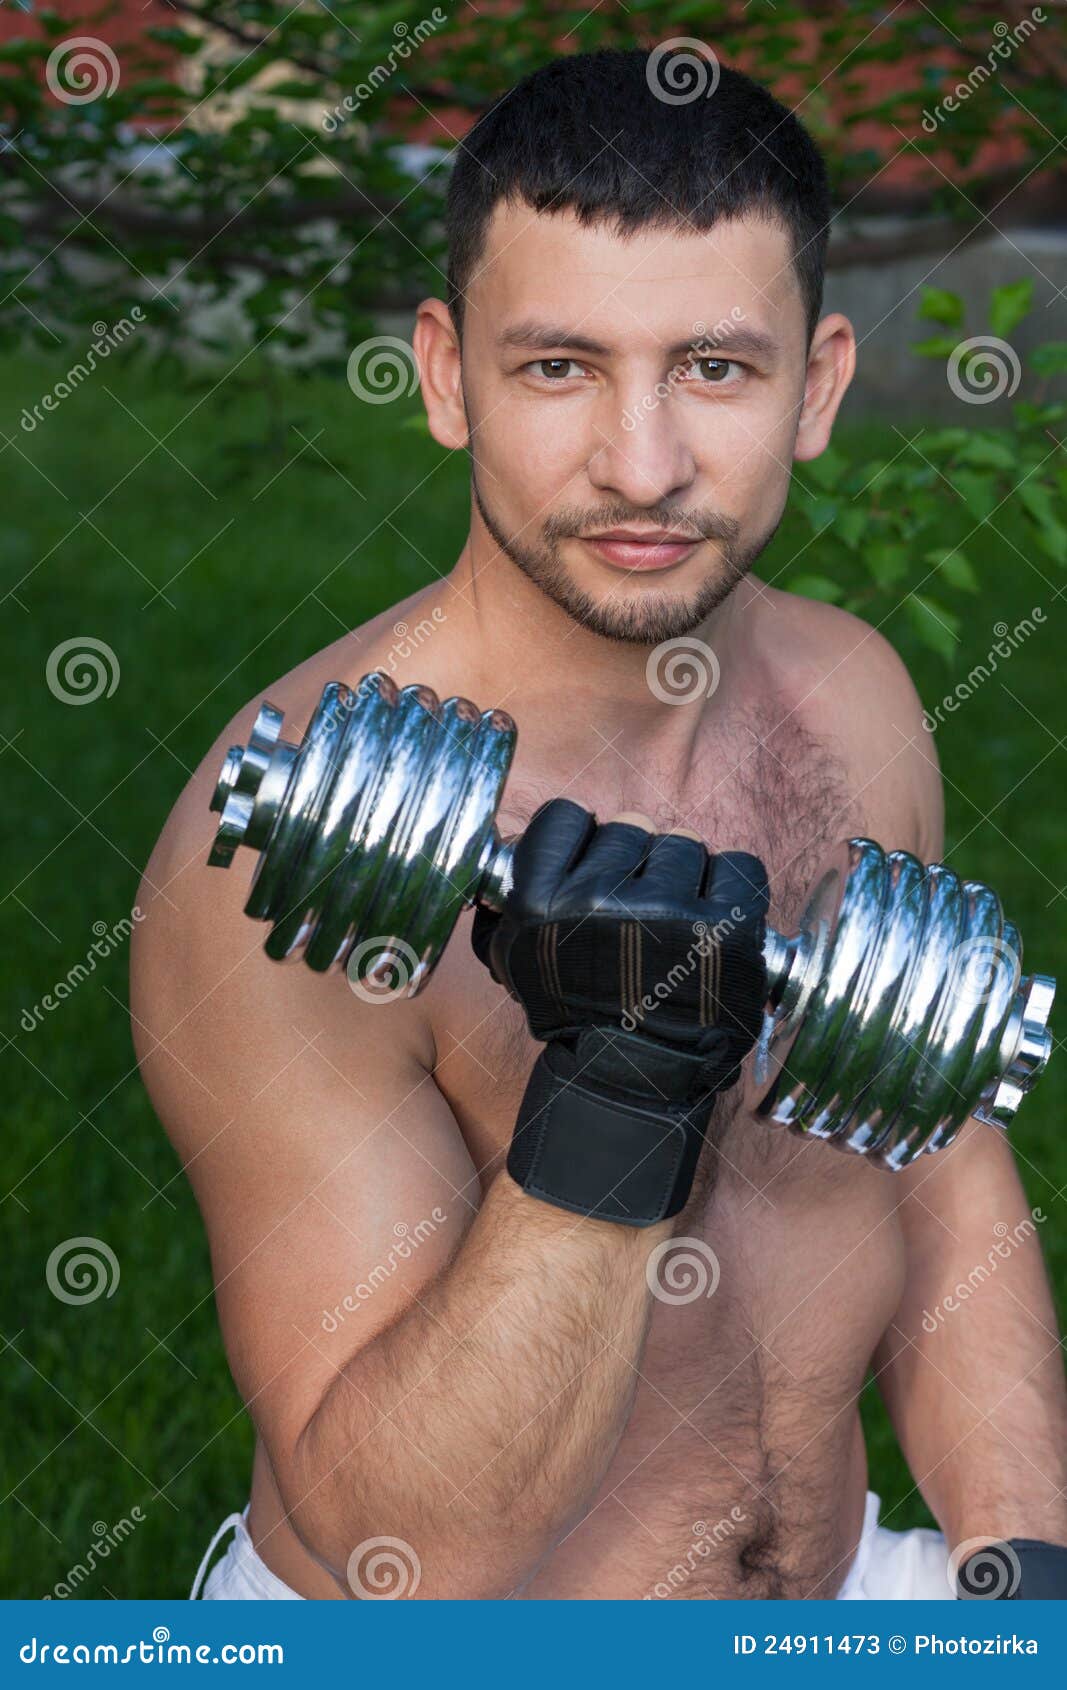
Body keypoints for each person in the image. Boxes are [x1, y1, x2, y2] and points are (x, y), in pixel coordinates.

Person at [132, 47, 1067, 1601]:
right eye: (560, 367)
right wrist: (616, 1104)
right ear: (445, 375)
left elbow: (935, 1149)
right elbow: (409, 1552)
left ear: (819, 386)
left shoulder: (850, 699)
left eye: (714, 368)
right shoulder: (279, 847)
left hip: (837, 1596)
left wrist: (1019, 1558)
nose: (644, 466)